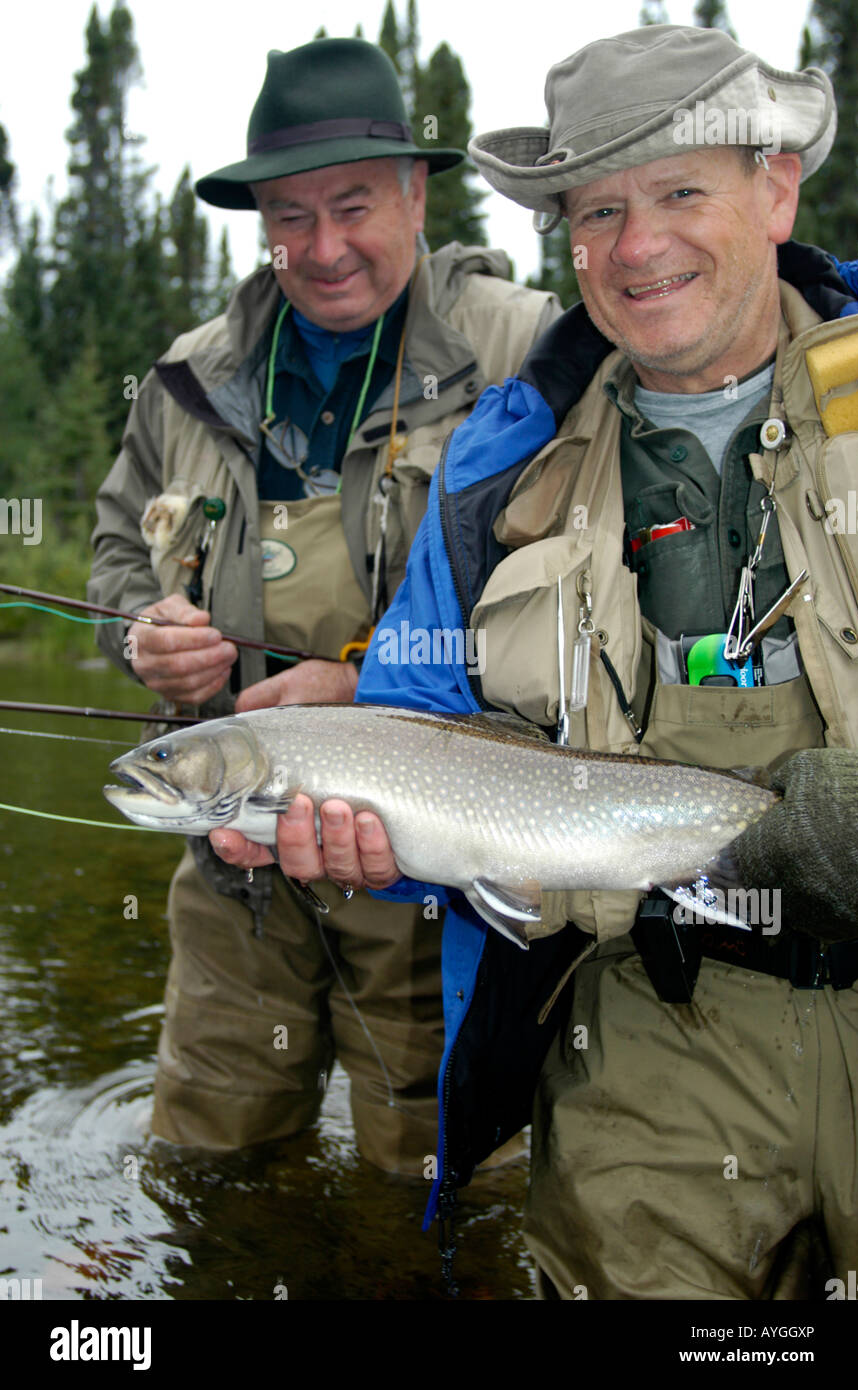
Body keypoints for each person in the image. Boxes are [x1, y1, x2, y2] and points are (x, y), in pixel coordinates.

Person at [218, 26, 858, 1297]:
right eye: (599, 208)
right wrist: (379, 850)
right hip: (652, 1020)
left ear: (777, 187)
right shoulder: (492, 471)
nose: (636, 245)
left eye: (683, 190)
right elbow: (414, 735)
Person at [88, 37, 559, 1175]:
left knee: (439, 1169)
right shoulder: (189, 378)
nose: (322, 246)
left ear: (415, 190)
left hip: (435, 854)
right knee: (209, 1154)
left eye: (352, 205)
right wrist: (142, 640)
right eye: (289, 217)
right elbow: (113, 559)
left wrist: (373, 691)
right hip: (233, 858)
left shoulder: (527, 346)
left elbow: (586, 594)